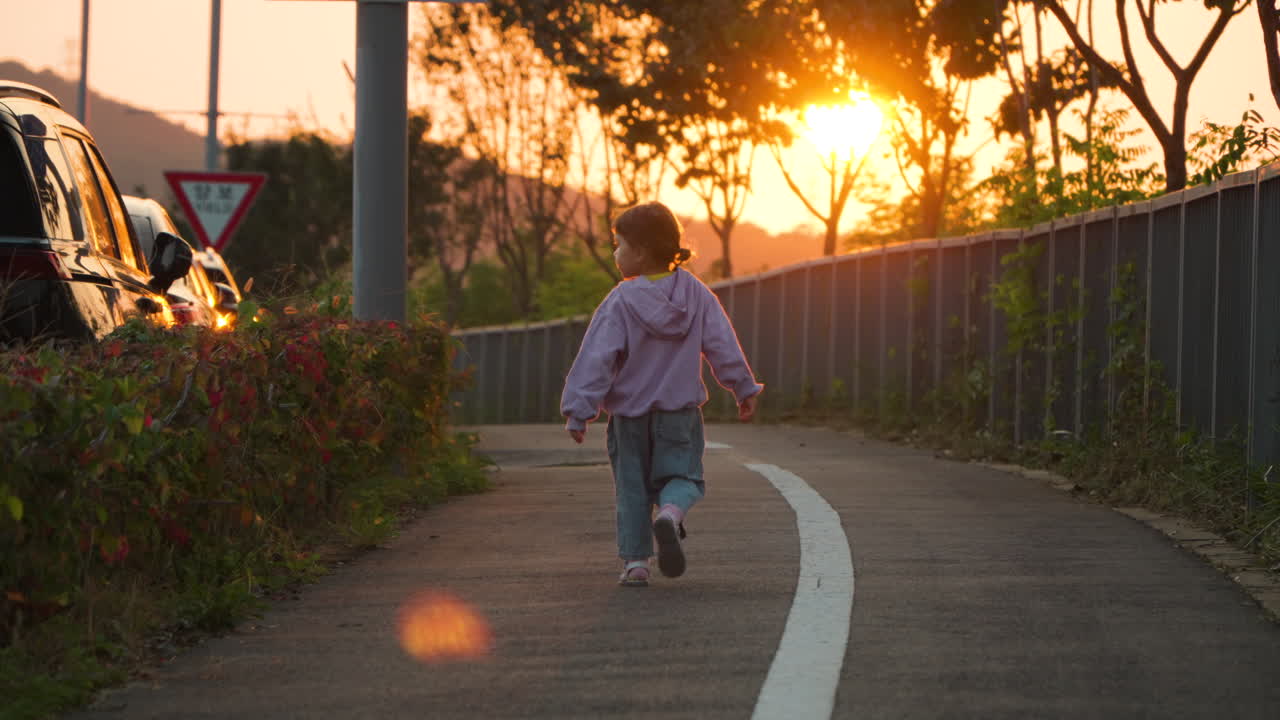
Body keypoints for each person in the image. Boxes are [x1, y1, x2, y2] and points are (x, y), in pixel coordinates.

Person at [560, 202, 763, 587]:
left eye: (618, 245)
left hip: (629, 420)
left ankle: (636, 564)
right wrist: (742, 386)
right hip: (679, 415)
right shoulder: (697, 295)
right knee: (684, 477)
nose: (615, 254)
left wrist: (578, 410)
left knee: (632, 489)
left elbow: (597, 357)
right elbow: (722, 344)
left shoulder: (621, 300)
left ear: (639, 252)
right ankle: (670, 514)